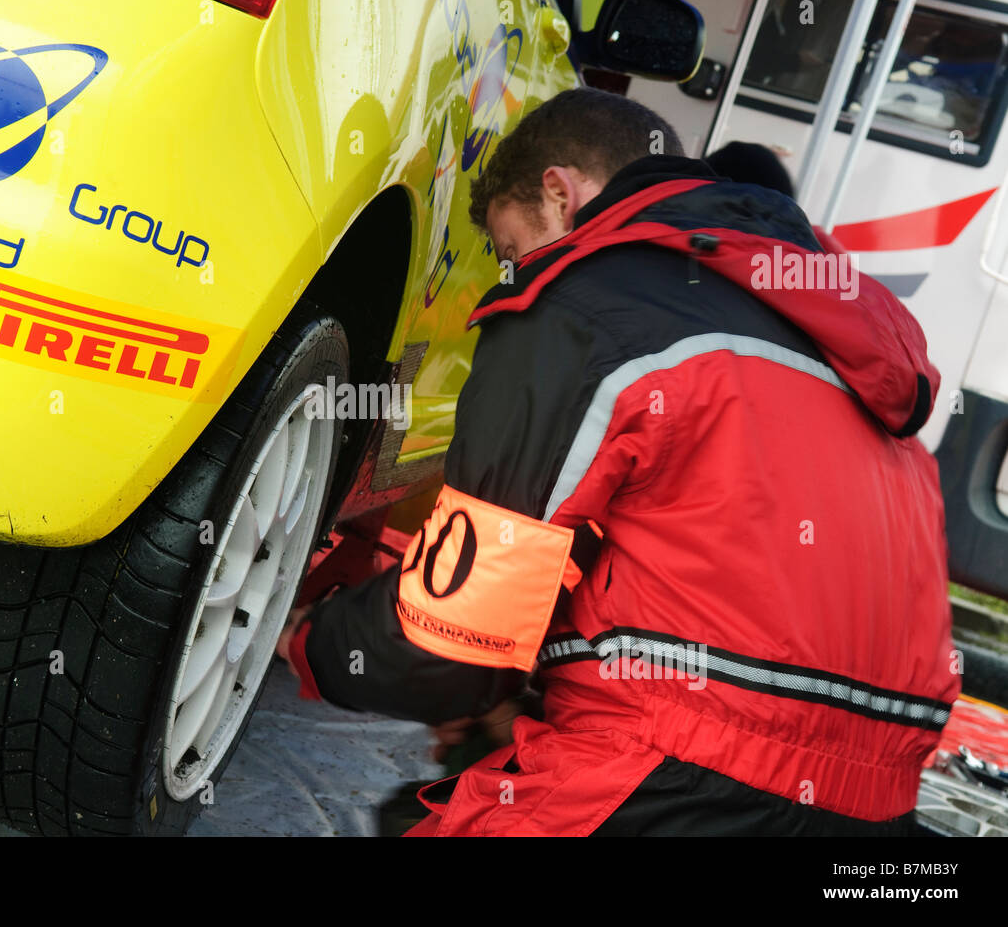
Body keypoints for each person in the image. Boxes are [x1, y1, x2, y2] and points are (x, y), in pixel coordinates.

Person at [277, 87, 960, 836]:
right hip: (878, 812)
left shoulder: (586, 304)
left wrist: (311, 632)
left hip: (679, 777)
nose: (515, 273)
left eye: (511, 250)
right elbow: (724, 588)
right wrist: (522, 700)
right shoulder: (848, 344)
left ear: (560, 193)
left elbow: (448, 643)